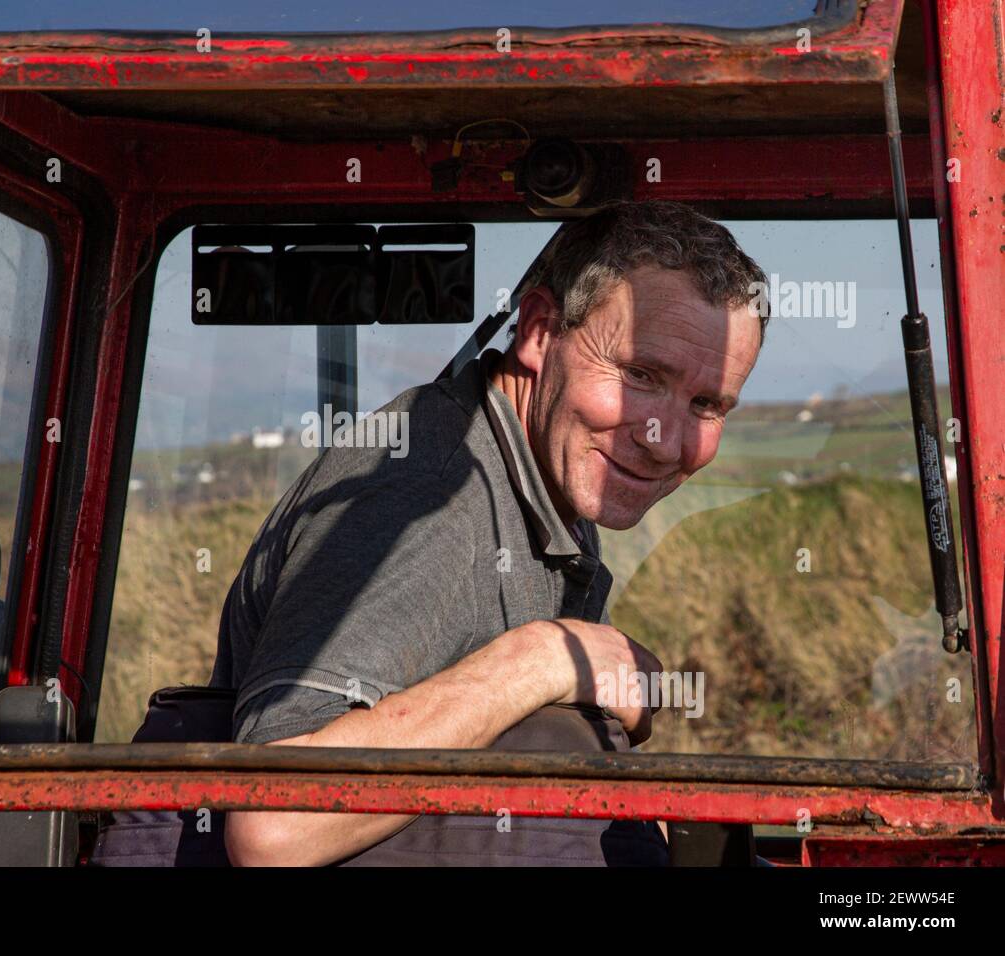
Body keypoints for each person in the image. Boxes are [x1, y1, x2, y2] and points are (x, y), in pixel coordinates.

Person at [103, 199, 769, 867]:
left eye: (707, 404)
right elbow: (275, 824)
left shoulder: (551, 479)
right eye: (640, 376)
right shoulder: (426, 491)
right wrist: (542, 659)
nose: (666, 440)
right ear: (538, 333)